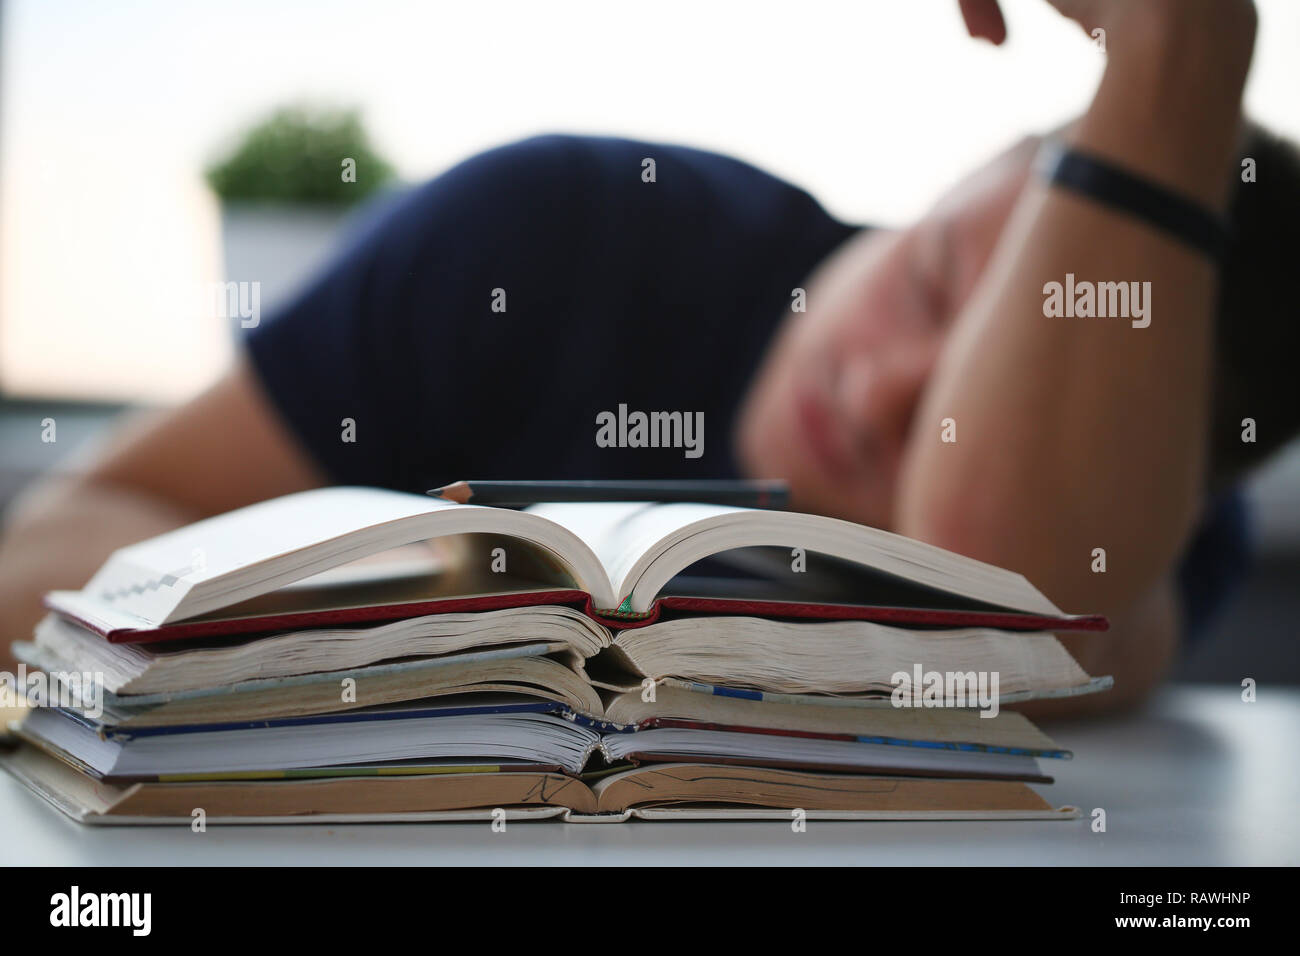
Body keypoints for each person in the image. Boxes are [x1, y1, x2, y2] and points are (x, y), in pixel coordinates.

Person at [1, 0, 1292, 714]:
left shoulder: (1131, 524)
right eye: (946, 275)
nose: (900, 388)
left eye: (996, 365)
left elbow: (1025, 607)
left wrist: (1179, 53)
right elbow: (58, 550)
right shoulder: (555, 231)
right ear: (959, 168)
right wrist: (414, 612)